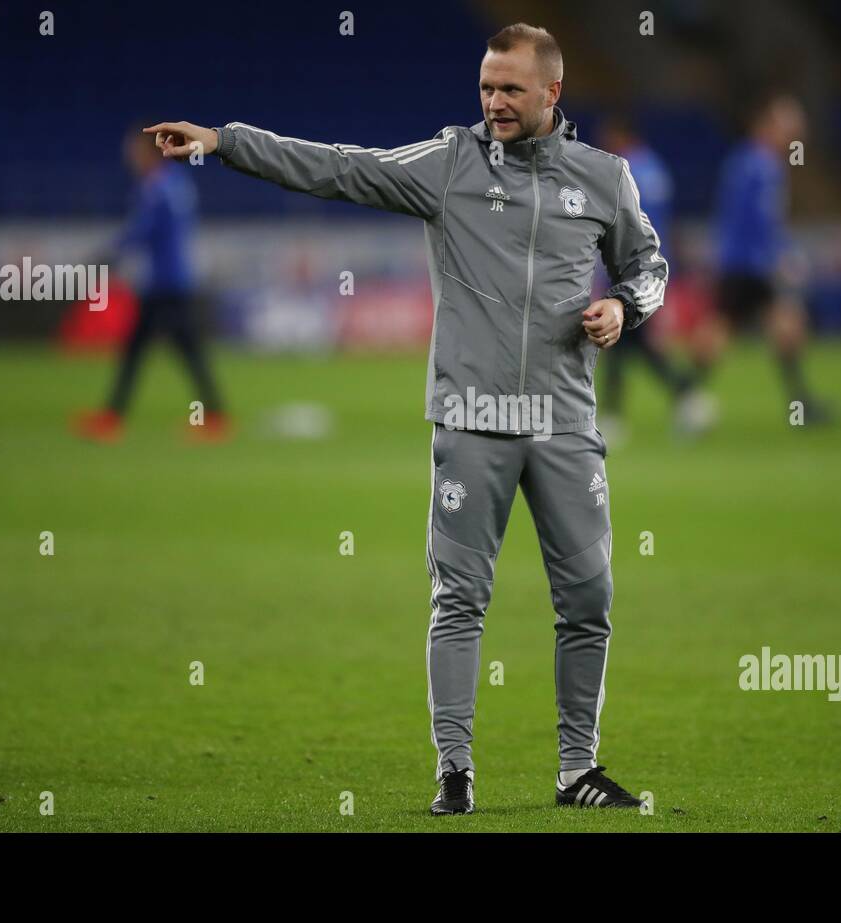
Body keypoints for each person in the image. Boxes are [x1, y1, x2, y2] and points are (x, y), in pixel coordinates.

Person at [145, 23, 662, 814]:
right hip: (470, 418)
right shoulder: (449, 163)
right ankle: (454, 771)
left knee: (588, 601)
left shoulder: (604, 179)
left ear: (552, 92)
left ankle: (576, 771)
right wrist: (224, 141)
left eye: (511, 89)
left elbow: (650, 266)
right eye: (487, 86)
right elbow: (341, 168)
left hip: (562, 422)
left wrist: (623, 307)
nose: (493, 101)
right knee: (460, 599)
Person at [74, 124, 228, 442]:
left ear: (149, 152)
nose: (129, 156)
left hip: (165, 284)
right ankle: (115, 415)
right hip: (171, 281)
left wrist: (108, 255)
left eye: (133, 149)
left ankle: (211, 416)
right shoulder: (177, 184)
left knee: (172, 350)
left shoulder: (156, 187)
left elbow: (142, 230)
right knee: (155, 349)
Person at [698, 93, 831, 423]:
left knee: (767, 326)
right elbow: (762, 221)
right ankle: (800, 405)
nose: (793, 138)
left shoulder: (743, 159)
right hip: (750, 266)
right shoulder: (763, 166)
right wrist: (781, 256)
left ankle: (800, 403)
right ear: (770, 125)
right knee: (772, 326)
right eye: (789, 128)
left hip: (737, 263)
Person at [597, 118, 712, 440]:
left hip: (627, 266)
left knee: (621, 340)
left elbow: (624, 223)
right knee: (629, 343)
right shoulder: (655, 169)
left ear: (620, 134)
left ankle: (618, 416)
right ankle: (685, 396)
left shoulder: (625, 169)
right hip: (648, 266)